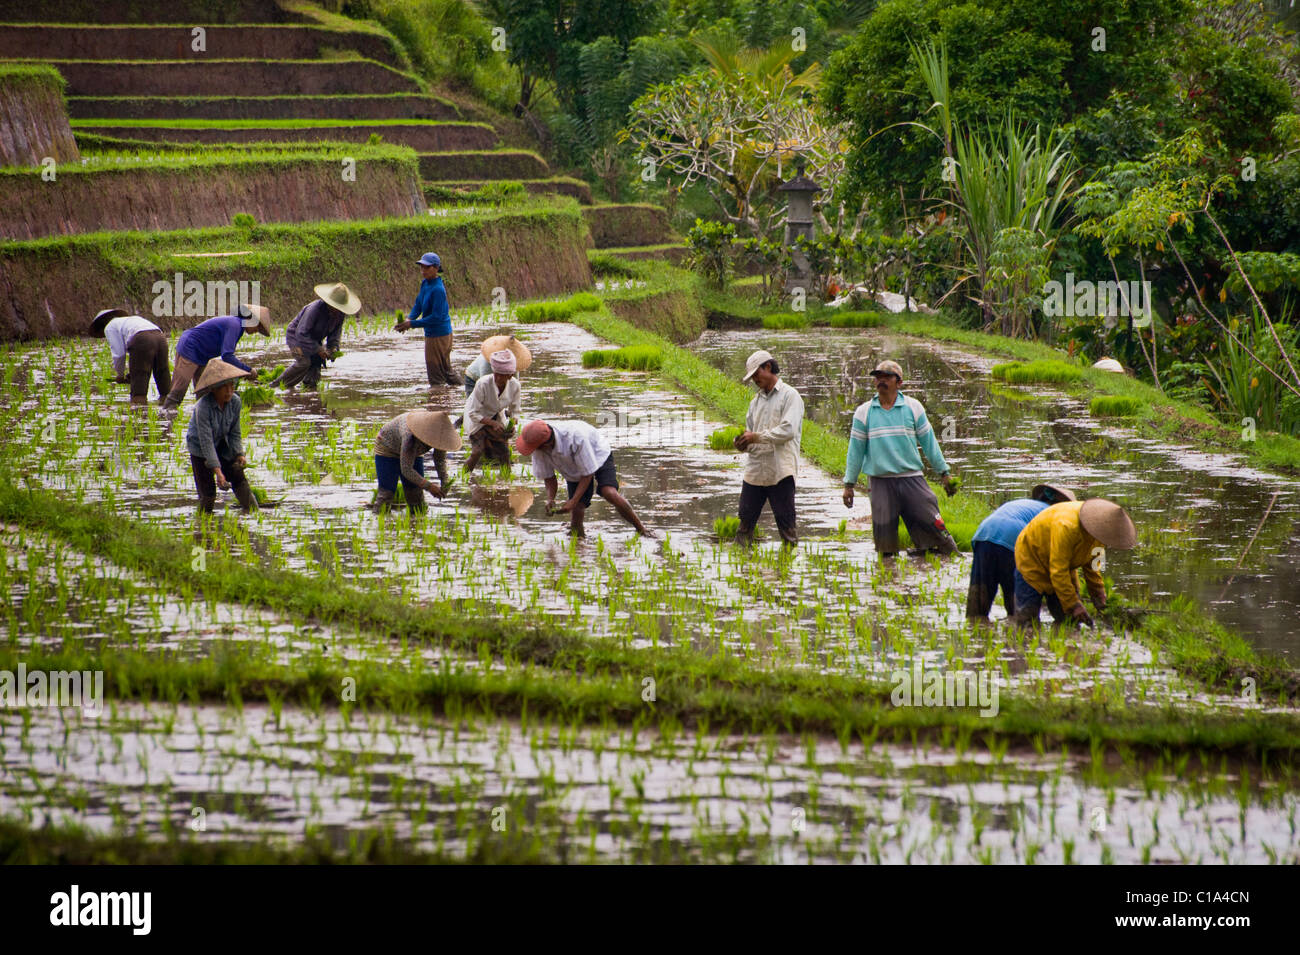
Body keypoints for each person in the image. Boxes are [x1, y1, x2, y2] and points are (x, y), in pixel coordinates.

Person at [842, 359, 959, 559]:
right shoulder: (864, 412)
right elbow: (855, 451)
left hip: (911, 478)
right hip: (880, 482)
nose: (881, 380)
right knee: (885, 541)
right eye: (878, 377)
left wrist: (944, 473)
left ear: (899, 382)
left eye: (887, 377)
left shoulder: (913, 407)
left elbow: (930, 443)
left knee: (934, 526)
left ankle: (949, 560)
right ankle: (889, 578)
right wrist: (849, 484)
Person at [1011, 498, 1137, 629]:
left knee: (1069, 621)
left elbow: (1094, 566)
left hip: (1063, 564)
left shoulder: (1100, 535)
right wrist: (1074, 605)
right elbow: (1058, 571)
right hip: (1033, 559)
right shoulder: (1067, 527)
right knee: (1027, 620)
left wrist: (1097, 591)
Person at [515, 419, 651, 537]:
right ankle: (578, 538)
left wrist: (573, 500)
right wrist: (550, 499)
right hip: (572, 465)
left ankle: (641, 529)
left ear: (546, 444)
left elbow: (587, 473)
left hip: (598, 452)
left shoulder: (576, 438)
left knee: (608, 492)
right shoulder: (539, 449)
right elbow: (549, 477)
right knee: (578, 507)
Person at [966, 483, 1076, 623]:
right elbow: (1055, 563)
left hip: (984, 533)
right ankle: (1020, 633)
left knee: (980, 596)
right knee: (1017, 598)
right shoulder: (1056, 515)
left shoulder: (1025, 504)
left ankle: (975, 631)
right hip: (1014, 537)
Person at [734, 349, 804, 546]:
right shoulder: (755, 403)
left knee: (787, 528)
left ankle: (788, 570)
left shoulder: (790, 396)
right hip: (755, 472)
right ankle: (742, 569)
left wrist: (756, 437)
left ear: (768, 367)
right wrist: (743, 443)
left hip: (780, 471)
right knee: (744, 526)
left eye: (757, 374)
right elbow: (750, 434)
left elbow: (787, 430)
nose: (755, 379)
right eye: (752, 377)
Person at [162, 303, 270, 411]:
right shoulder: (235, 324)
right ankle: (165, 421)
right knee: (178, 392)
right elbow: (227, 356)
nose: (258, 331)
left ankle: (202, 421)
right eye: (258, 326)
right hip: (190, 347)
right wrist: (248, 371)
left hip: (202, 355)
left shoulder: (238, 327)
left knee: (204, 392)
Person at [185, 359, 256, 513]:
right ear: (214, 389)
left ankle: (253, 513)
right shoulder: (203, 407)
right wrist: (218, 472)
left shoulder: (235, 402)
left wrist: (239, 453)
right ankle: (203, 525)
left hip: (221, 443)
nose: (229, 391)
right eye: (224, 387)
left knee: (238, 474)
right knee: (208, 493)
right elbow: (206, 442)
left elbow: (235, 432)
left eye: (231, 385)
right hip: (199, 448)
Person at [274, 283, 360, 391]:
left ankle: (308, 390)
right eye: (335, 307)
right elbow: (301, 333)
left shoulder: (340, 315)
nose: (337, 310)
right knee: (304, 363)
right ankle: (275, 386)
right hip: (296, 337)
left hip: (314, 339)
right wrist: (318, 349)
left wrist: (333, 349)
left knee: (315, 369)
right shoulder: (315, 309)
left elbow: (334, 337)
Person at [395, 252, 462, 387]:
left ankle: (438, 402)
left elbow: (436, 317)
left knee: (435, 374)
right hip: (437, 334)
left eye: (426, 267)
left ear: (436, 268)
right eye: (421, 267)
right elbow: (419, 303)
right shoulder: (425, 283)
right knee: (446, 370)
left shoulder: (438, 290)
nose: (423, 271)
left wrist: (411, 324)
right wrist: (409, 318)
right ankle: (464, 388)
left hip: (439, 335)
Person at [372, 410, 460, 512]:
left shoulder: (440, 435)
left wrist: (444, 479)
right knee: (386, 494)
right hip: (387, 447)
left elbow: (439, 459)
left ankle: (416, 524)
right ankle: (379, 522)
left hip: (414, 451)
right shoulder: (410, 437)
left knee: (415, 494)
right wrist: (429, 486)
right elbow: (406, 469)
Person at [463, 341, 530, 474]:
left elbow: (515, 411)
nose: (498, 378)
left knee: (505, 453)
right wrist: (492, 423)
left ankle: (506, 483)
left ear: (510, 375)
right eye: (496, 374)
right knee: (477, 451)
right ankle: (463, 477)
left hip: (496, 415)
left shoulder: (515, 386)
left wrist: (513, 423)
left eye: (502, 375)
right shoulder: (482, 384)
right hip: (477, 418)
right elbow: (473, 413)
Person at [90, 308, 171, 407]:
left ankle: (139, 416)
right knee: (163, 376)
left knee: (139, 384)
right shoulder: (129, 320)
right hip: (161, 338)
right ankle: (169, 413)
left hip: (142, 339)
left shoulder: (109, 327)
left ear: (101, 326)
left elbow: (119, 354)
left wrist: (120, 375)